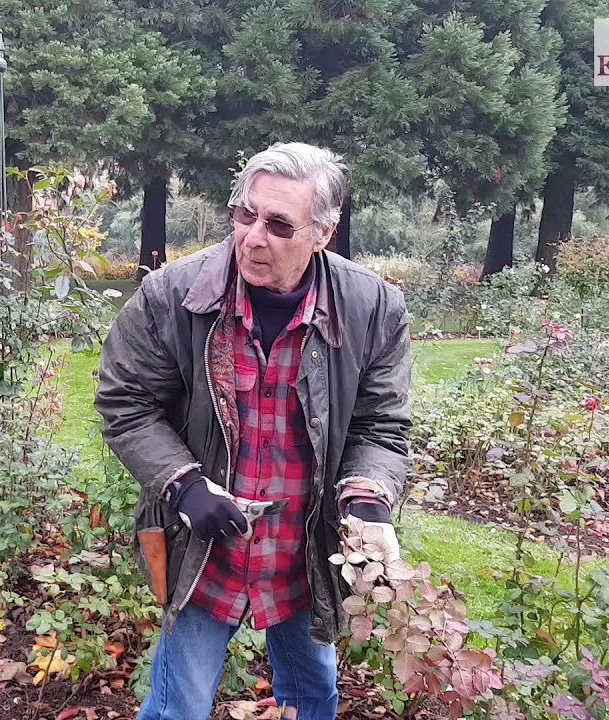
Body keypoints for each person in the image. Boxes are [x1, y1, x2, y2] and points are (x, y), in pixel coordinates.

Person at [96, 143, 411, 720]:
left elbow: (380, 425)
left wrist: (367, 500)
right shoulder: (174, 295)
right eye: (245, 214)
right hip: (202, 547)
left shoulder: (372, 308)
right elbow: (126, 400)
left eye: (279, 224)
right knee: (177, 708)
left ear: (323, 232)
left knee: (313, 699)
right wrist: (183, 484)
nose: (253, 236)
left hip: (306, 549)